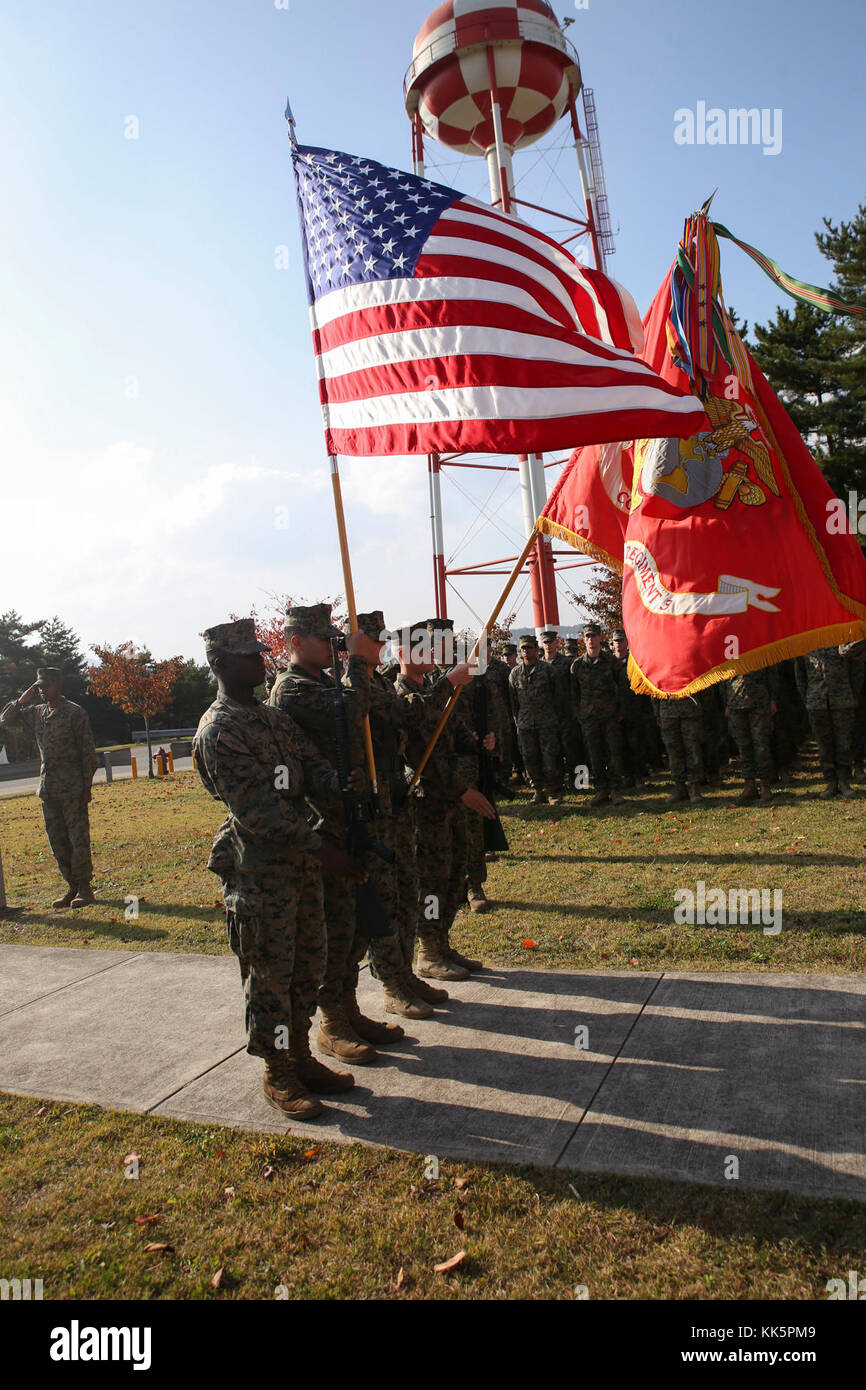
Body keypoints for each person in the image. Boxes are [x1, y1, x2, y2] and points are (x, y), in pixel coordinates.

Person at [194, 618, 363, 1120]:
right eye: (247, 655)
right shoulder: (220, 729)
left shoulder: (272, 719)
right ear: (221, 664)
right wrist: (322, 850)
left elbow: (310, 768)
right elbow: (258, 811)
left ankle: (301, 1055)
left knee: (306, 968)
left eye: (259, 652)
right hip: (259, 872)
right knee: (270, 975)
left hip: (300, 868)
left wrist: (340, 782)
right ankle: (277, 1072)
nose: (258, 660)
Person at [269, 605, 392, 1065]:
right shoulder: (291, 690)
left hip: (350, 813)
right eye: (324, 639)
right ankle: (331, 1023)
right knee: (334, 928)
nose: (333, 645)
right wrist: (358, 662)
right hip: (323, 824)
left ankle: (349, 1008)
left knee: (357, 921)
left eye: (334, 638)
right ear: (296, 642)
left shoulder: (323, 683)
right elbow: (351, 707)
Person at [395, 624, 495, 980]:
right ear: (402, 654)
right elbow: (420, 754)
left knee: (453, 874)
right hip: (427, 802)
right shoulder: (403, 695)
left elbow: (450, 735)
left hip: (449, 799)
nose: (430, 653)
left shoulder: (433, 690)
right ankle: (428, 951)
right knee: (432, 879)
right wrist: (461, 791)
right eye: (421, 648)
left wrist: (475, 742)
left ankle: (443, 943)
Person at [0, 667, 98, 908]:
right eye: (39, 686)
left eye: (46, 685)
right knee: (57, 841)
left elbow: (88, 754)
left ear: (58, 686)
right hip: (48, 788)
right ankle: (71, 886)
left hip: (73, 787)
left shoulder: (75, 713)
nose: (42, 690)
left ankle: (85, 888)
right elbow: (6, 720)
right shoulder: (37, 713)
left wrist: (86, 786)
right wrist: (22, 699)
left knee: (78, 839)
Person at [571, 624, 628, 807]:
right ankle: (601, 789)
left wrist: (620, 712)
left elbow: (623, 688)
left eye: (594, 636)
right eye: (588, 636)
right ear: (584, 639)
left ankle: (615, 789)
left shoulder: (612, 662)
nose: (591, 639)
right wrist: (579, 714)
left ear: (600, 638)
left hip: (610, 716)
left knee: (614, 752)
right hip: (589, 718)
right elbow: (573, 694)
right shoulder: (577, 666)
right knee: (594, 754)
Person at [796, 644, 861, 799]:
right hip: (816, 702)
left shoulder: (841, 641)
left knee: (843, 742)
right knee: (824, 743)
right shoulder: (805, 643)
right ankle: (831, 782)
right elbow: (800, 676)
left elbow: (857, 670)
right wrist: (808, 698)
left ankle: (844, 781)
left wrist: (853, 694)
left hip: (842, 701)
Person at [509, 634, 562, 805]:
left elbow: (558, 696)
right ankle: (538, 791)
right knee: (530, 759)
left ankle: (552, 792)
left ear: (536, 650)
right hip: (525, 724)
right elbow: (513, 702)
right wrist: (518, 721)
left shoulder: (548, 670)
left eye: (529, 647)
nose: (525, 651)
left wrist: (555, 718)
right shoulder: (515, 674)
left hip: (546, 722)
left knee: (549, 758)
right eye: (523, 648)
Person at [724, 669, 777, 804]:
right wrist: (726, 702)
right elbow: (722, 676)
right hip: (735, 701)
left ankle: (765, 785)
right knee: (743, 747)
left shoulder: (757, 648)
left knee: (761, 745)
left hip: (759, 700)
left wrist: (772, 698)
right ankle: (749, 785)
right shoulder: (728, 648)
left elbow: (771, 672)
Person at [654, 693, 705, 803]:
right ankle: (679, 787)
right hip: (667, 711)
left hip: (690, 709)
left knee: (693, 749)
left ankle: (695, 788)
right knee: (673, 751)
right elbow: (654, 686)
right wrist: (657, 711)